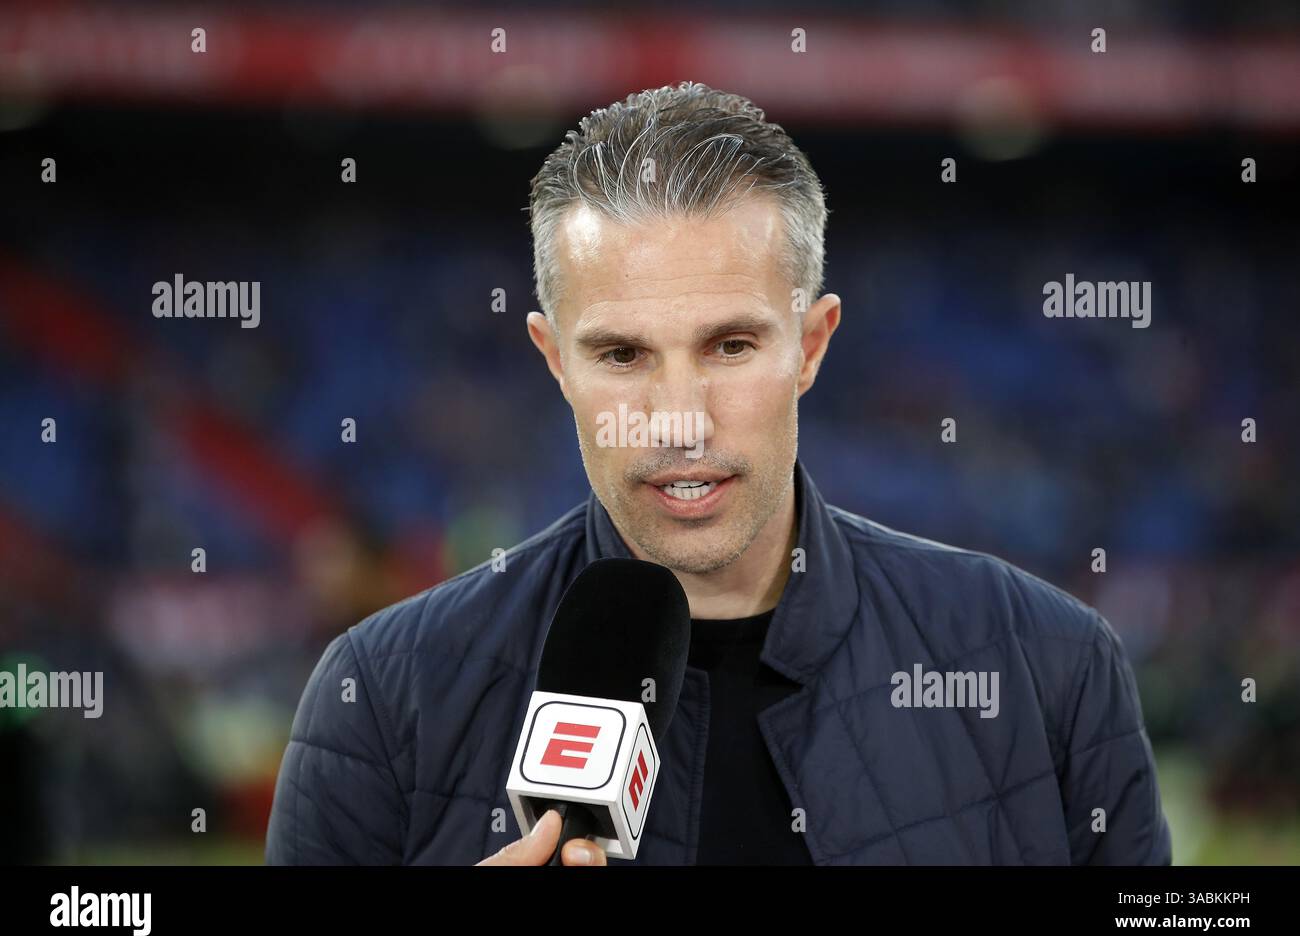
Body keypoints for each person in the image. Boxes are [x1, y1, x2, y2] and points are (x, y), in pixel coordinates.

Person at [265, 81, 1172, 866]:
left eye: (731, 345)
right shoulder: (380, 700)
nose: (679, 417)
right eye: (622, 354)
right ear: (553, 361)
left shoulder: (1051, 667)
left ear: (812, 345)